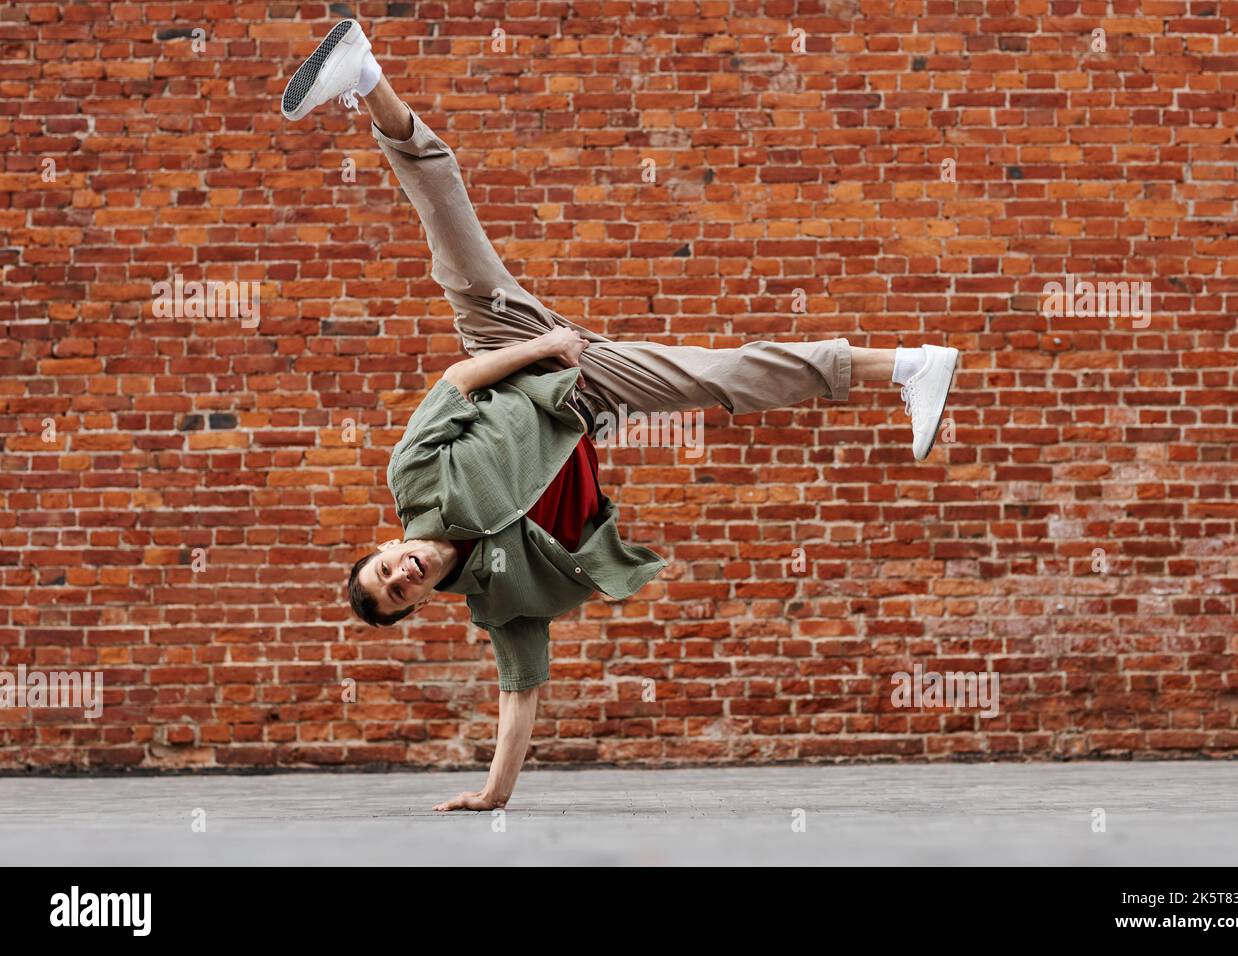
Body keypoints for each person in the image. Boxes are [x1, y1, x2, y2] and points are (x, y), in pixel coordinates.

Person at [281, 19, 960, 810]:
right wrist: (493, 795)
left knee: (448, 227)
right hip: (585, 396)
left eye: (386, 568)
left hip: (520, 353)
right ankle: (909, 364)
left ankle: (365, 78)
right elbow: (520, 690)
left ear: (387, 544)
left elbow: (461, 379)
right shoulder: (498, 600)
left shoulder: (413, 477)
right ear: (420, 603)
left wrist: (551, 342)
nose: (402, 576)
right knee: (722, 378)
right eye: (401, 593)